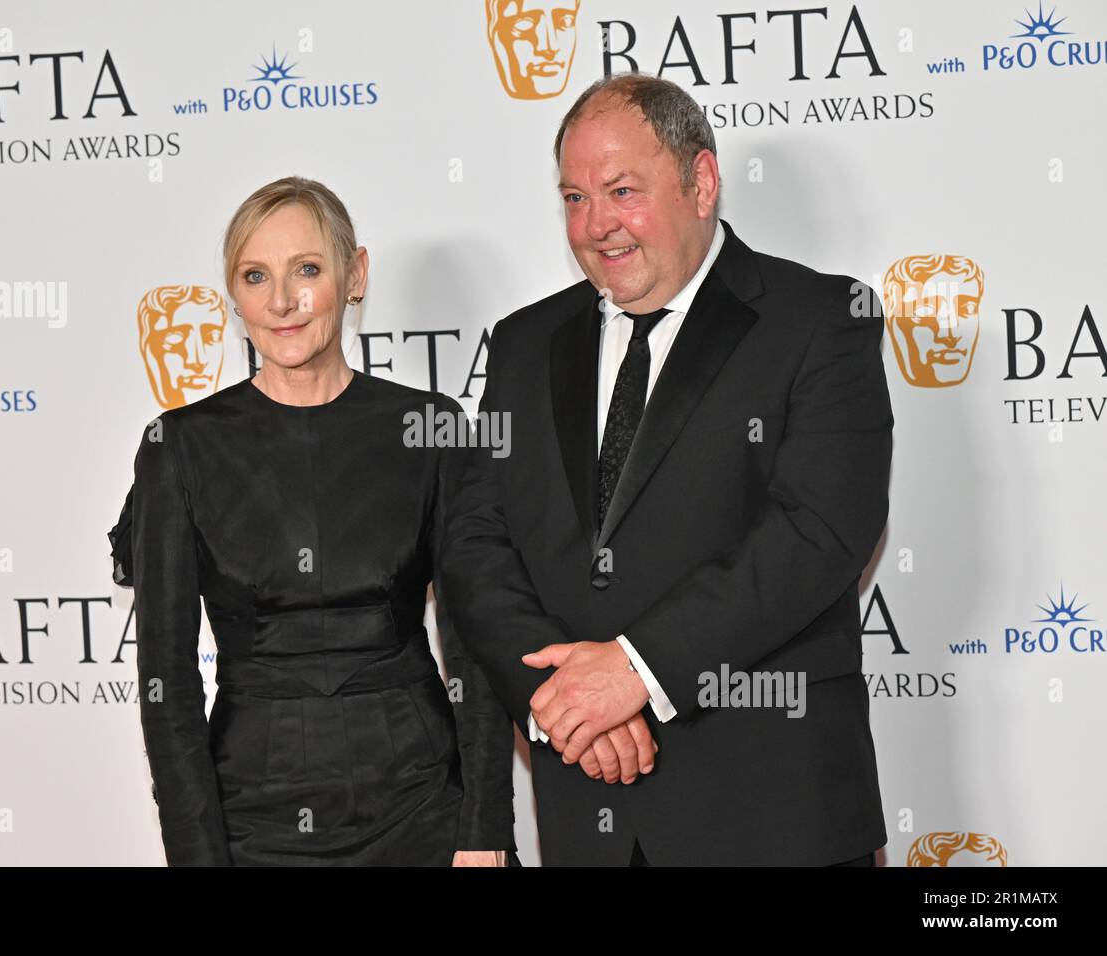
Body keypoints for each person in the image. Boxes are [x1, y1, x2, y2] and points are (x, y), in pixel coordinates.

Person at [440, 72, 893, 866]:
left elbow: (821, 531)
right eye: (574, 198)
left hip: (776, 817)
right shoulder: (522, 344)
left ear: (702, 181)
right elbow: (477, 544)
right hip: (590, 808)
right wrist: (562, 707)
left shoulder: (820, 319)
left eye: (621, 190)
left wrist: (635, 672)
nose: (596, 225)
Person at [108, 176, 515, 866]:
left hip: (421, 806)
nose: (281, 301)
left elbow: (475, 651)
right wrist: (196, 855)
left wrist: (482, 831)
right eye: (255, 275)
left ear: (354, 275)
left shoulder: (431, 428)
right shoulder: (180, 446)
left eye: (307, 269)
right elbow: (168, 685)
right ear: (234, 297)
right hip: (252, 820)